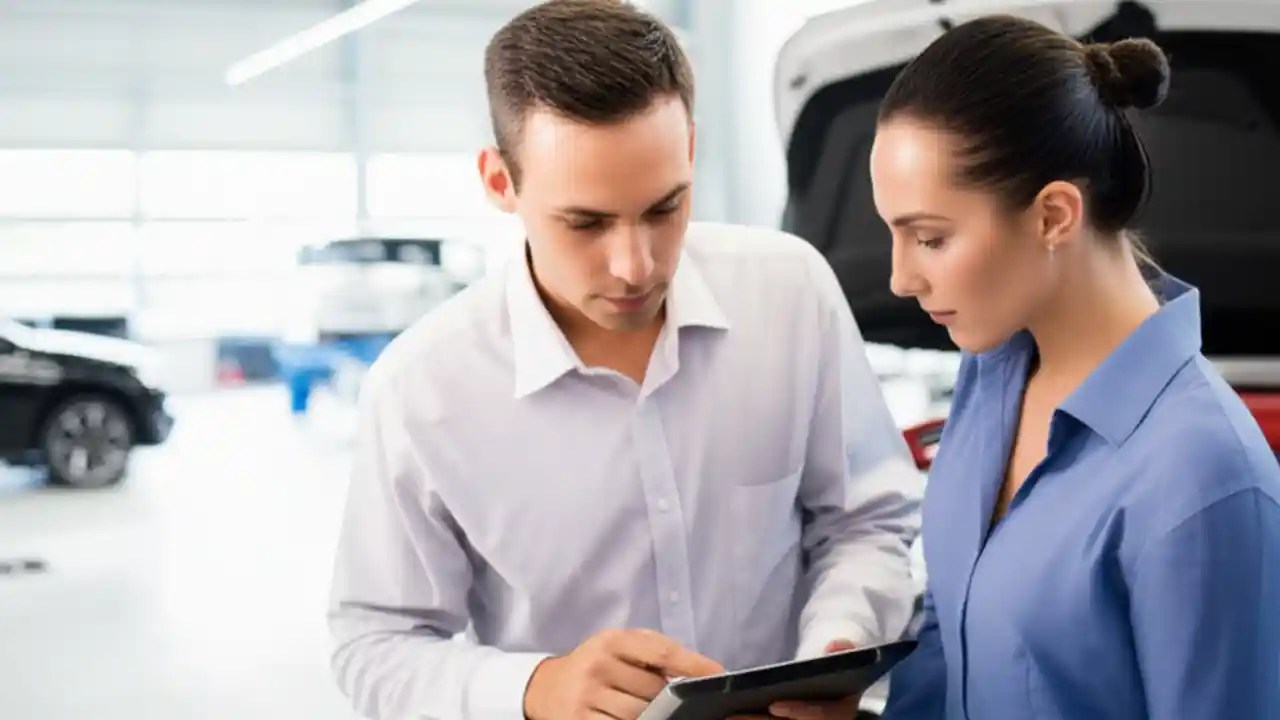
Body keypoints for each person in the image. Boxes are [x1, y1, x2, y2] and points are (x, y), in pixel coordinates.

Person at [326, 2, 923, 719]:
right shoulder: (421, 388)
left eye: (665, 208)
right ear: (498, 182)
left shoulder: (790, 291)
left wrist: (838, 647)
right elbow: (374, 644)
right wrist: (533, 687)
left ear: (692, 150)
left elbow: (865, 520)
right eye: (586, 222)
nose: (635, 265)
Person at [868, 14, 1280, 720]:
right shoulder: (990, 377)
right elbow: (948, 634)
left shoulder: (1206, 477)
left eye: (930, 238)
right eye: (893, 234)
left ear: (1055, 215)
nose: (900, 277)